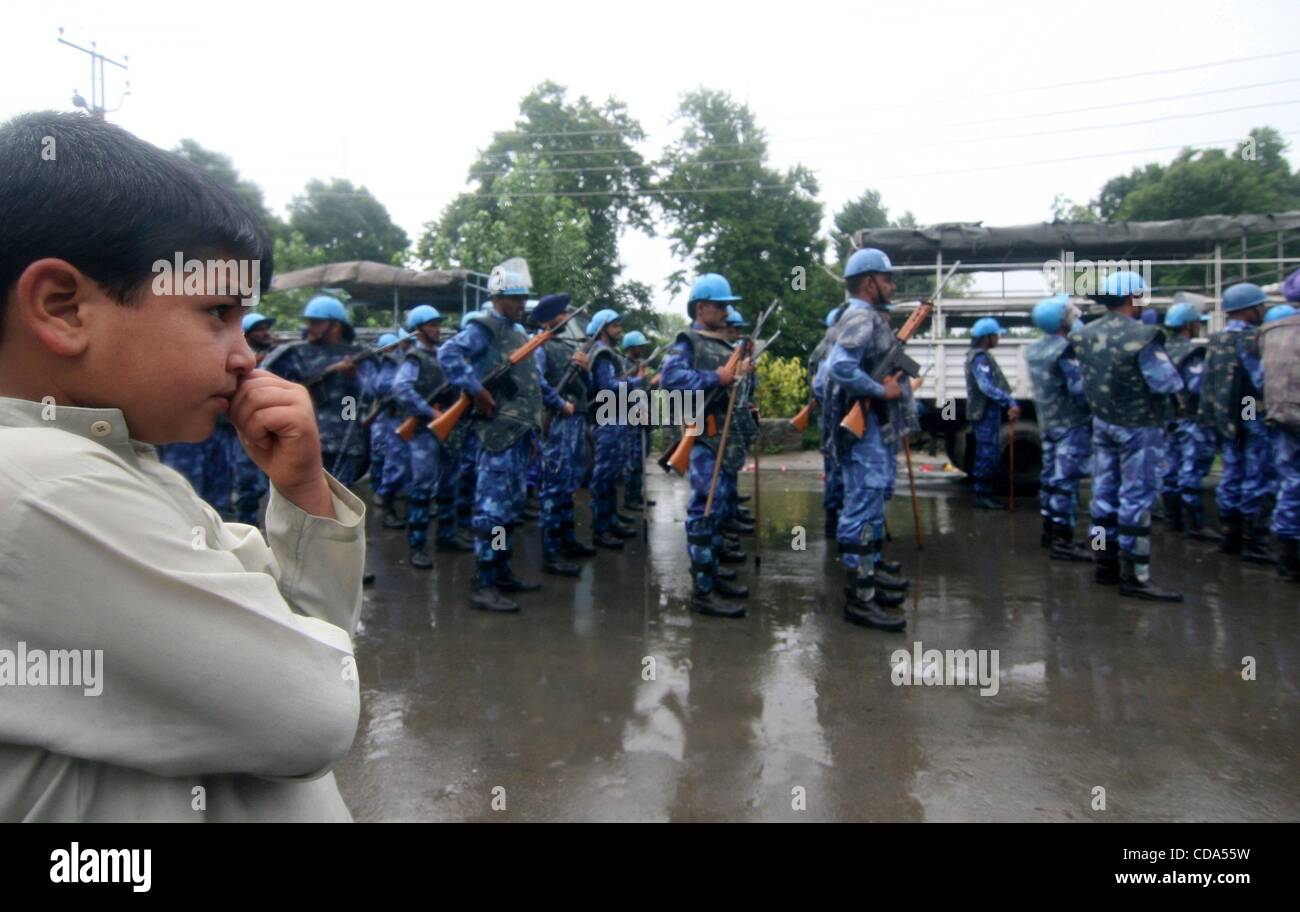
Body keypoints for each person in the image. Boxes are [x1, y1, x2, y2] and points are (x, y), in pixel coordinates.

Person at [0, 110, 362, 821]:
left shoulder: (115, 463)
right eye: (216, 313)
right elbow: (315, 711)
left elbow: (306, 629)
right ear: (62, 307)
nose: (246, 355)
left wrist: (301, 491)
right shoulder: (47, 486)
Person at [1071, 270, 1184, 600]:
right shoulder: (1145, 335)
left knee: (1102, 495)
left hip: (1103, 423)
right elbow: (1167, 382)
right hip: (1139, 426)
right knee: (1136, 498)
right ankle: (1135, 575)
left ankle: (1103, 564)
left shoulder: (1083, 335)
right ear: (1134, 298)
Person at [437, 258, 542, 613]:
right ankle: (483, 582)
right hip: (495, 437)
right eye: (515, 298)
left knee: (510, 510)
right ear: (497, 299)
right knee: (492, 513)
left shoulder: (518, 332)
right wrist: (475, 391)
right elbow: (449, 352)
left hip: (516, 436)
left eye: (523, 297)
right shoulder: (485, 327)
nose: (521, 304)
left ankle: (501, 571)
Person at [823, 248, 914, 631]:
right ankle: (860, 600)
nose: (892, 285)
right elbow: (839, 367)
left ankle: (870, 580)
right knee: (860, 510)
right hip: (864, 434)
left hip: (870, 432)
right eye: (887, 279)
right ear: (868, 283)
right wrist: (879, 389)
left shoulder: (861, 316)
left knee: (871, 507)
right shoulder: (860, 315)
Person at [660, 274, 753, 618]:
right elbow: (671, 379)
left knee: (718, 510)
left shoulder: (718, 342)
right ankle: (703, 591)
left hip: (723, 443)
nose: (727, 312)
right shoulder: (688, 341)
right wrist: (716, 377)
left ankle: (713, 575)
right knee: (703, 511)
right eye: (721, 306)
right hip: (703, 440)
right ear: (702, 308)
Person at [262, 295, 374, 487]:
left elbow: (366, 396)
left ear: (335, 325)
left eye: (316, 322)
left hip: (343, 442)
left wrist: (352, 378)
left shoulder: (357, 354)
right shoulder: (296, 353)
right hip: (303, 440)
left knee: (340, 504)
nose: (309, 327)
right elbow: (263, 380)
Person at [1202, 282, 1275, 564]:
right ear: (1249, 309)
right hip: (1248, 413)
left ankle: (1230, 535)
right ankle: (1254, 542)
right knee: (1256, 474)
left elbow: (1209, 381)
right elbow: (1259, 381)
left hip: (1225, 418)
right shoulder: (1251, 340)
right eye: (1261, 305)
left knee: (1232, 473)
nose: (1264, 310)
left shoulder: (1217, 339)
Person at [1024, 295, 1092, 561]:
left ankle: (1050, 532)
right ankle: (1063, 542)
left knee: (1051, 478)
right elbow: (1079, 390)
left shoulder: (1035, 350)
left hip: (1047, 422)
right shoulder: (1064, 349)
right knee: (1065, 482)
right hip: (1070, 423)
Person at [534, 293, 595, 575]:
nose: (566, 318)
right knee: (553, 488)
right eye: (561, 314)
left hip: (574, 422)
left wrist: (585, 371)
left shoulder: (565, 346)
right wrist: (559, 403)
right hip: (557, 422)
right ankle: (550, 552)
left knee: (568, 485)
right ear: (549, 318)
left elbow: (589, 390)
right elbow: (537, 382)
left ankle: (567, 541)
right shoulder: (539, 347)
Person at [1159, 302, 1220, 542]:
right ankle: (1194, 525)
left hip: (1168, 420)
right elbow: (1197, 387)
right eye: (1197, 322)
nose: (1198, 326)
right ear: (1188, 325)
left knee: (1170, 470)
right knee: (1190, 471)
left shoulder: (1161, 349)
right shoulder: (1190, 353)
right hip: (1190, 420)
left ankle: (1172, 520)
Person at [587, 308, 641, 547]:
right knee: (604, 476)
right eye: (615, 326)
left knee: (612, 475)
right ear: (603, 328)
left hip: (615, 418)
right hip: (607, 419)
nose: (620, 330)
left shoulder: (609, 353)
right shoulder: (602, 354)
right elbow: (607, 387)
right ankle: (600, 528)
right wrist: (635, 381)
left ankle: (610, 520)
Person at [1259, 306, 1300, 580]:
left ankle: (1287, 557)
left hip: (1280, 416)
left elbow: (1256, 383)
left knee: (1289, 482)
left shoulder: (1268, 334)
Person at [964, 317, 1020, 510]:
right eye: (997, 335)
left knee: (988, 452)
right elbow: (985, 386)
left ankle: (985, 493)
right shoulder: (980, 358)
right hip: (984, 413)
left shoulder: (980, 355)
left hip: (987, 412)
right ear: (987, 337)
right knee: (987, 454)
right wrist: (1009, 401)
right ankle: (982, 495)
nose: (999, 338)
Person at [229, 311, 277, 524]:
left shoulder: (278, 356)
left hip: (270, 427)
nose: (265, 333)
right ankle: (245, 527)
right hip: (242, 428)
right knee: (247, 484)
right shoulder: (236, 358)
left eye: (266, 328)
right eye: (259, 329)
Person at [620, 330, 655, 512]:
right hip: (632, 419)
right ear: (631, 347)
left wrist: (652, 384)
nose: (643, 348)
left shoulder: (640, 365)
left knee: (641, 460)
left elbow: (644, 391)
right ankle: (630, 498)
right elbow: (624, 390)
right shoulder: (624, 365)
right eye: (640, 345)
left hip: (644, 417)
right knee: (633, 460)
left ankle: (638, 494)